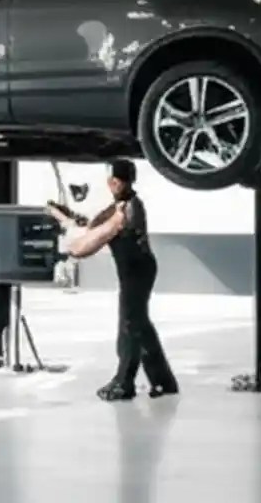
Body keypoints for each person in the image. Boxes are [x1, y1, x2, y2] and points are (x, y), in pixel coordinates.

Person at [48, 159, 178, 401]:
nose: (114, 185)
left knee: (130, 325)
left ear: (119, 182)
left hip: (138, 271)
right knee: (140, 324)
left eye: (117, 181)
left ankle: (124, 382)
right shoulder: (120, 205)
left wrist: (72, 245)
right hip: (133, 270)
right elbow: (93, 224)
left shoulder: (128, 209)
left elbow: (95, 238)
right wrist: (69, 218)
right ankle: (163, 381)